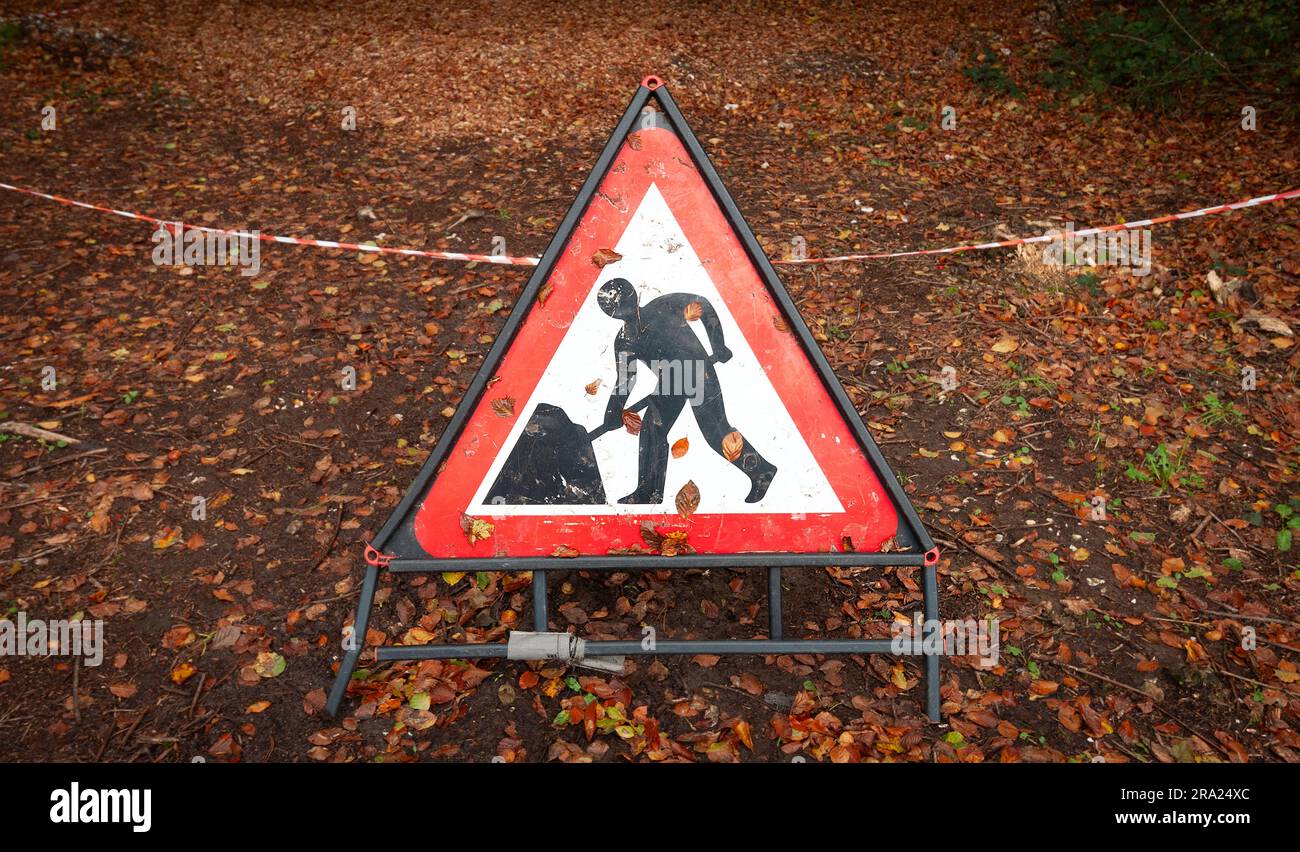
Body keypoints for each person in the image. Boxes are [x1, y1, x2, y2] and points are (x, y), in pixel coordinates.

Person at [596, 277, 777, 505]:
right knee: (652, 430)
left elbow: (702, 305)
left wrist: (718, 345)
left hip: (698, 373)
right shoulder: (625, 340)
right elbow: (626, 380)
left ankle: (762, 472)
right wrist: (613, 413)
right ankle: (649, 492)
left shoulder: (662, 307)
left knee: (716, 432)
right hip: (670, 382)